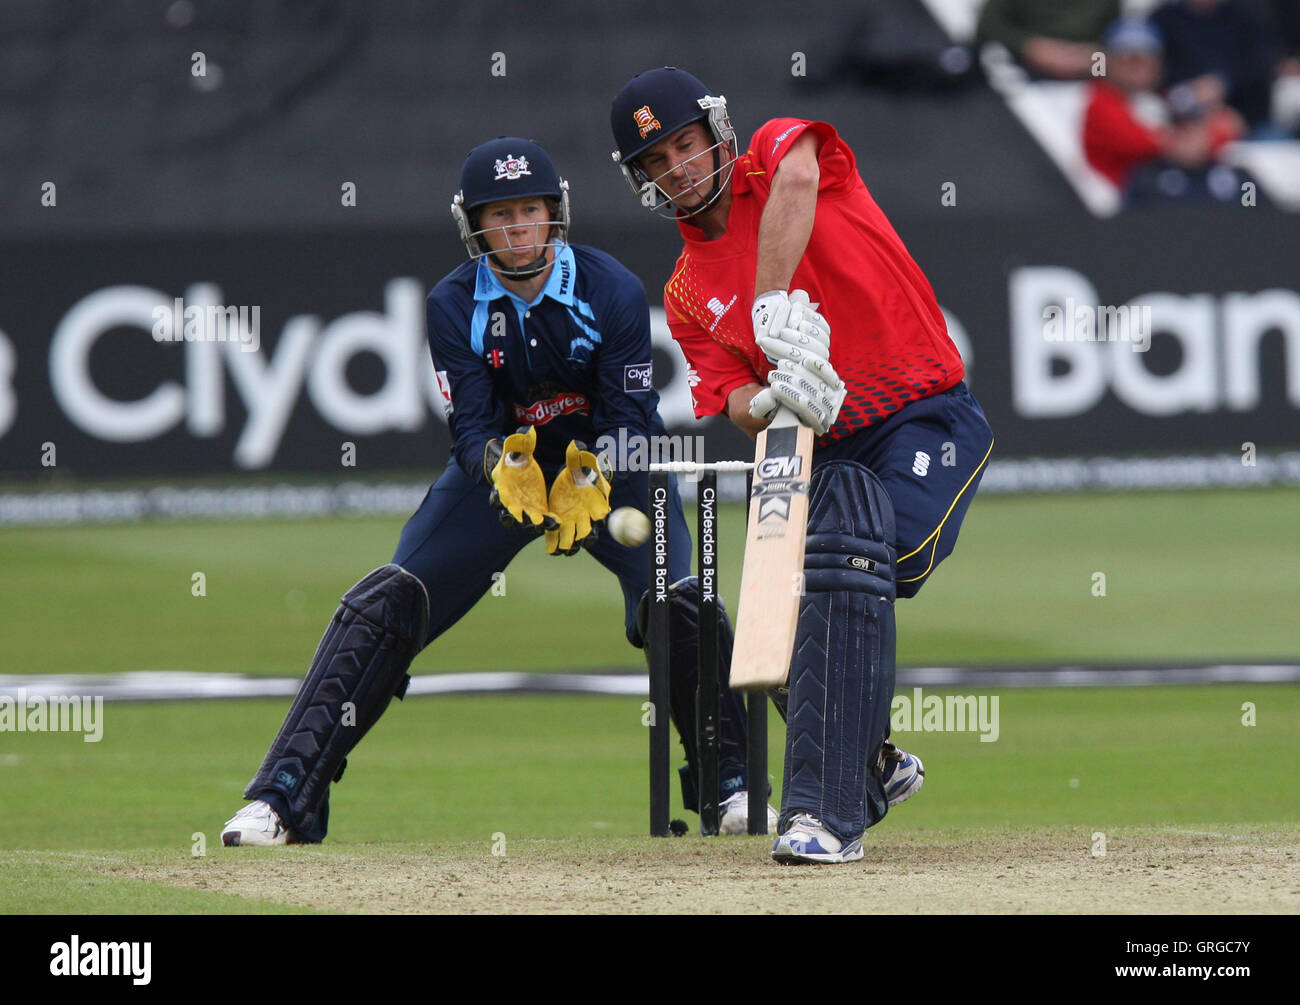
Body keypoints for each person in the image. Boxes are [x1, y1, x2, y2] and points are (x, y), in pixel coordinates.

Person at [221, 137, 766, 845]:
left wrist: (588, 476)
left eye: (529, 211)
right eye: (499, 215)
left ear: (554, 214)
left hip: (613, 470)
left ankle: (728, 791)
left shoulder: (612, 289)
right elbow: (471, 423)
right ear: (472, 223)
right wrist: (495, 465)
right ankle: (281, 798)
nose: (516, 229)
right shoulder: (453, 304)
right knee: (387, 601)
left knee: (681, 602)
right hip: (507, 478)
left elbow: (632, 420)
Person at [609, 68, 994, 863]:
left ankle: (829, 806)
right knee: (771, 627)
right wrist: (781, 392)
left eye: (684, 142)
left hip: (923, 410)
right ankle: (865, 772)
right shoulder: (684, 292)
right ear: (642, 179)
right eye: (656, 159)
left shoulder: (774, 155)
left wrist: (772, 302)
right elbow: (733, 402)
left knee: (874, 554)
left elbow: (798, 172)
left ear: (714, 131)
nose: (678, 166)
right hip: (815, 445)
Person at [1083, 19, 1246, 202]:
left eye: (1144, 57)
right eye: (1126, 57)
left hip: (1172, 196)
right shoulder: (1100, 100)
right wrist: (1186, 141)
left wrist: (1201, 139)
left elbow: (1230, 123)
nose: (1136, 66)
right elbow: (1135, 142)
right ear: (1109, 61)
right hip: (1121, 203)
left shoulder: (1164, 98)